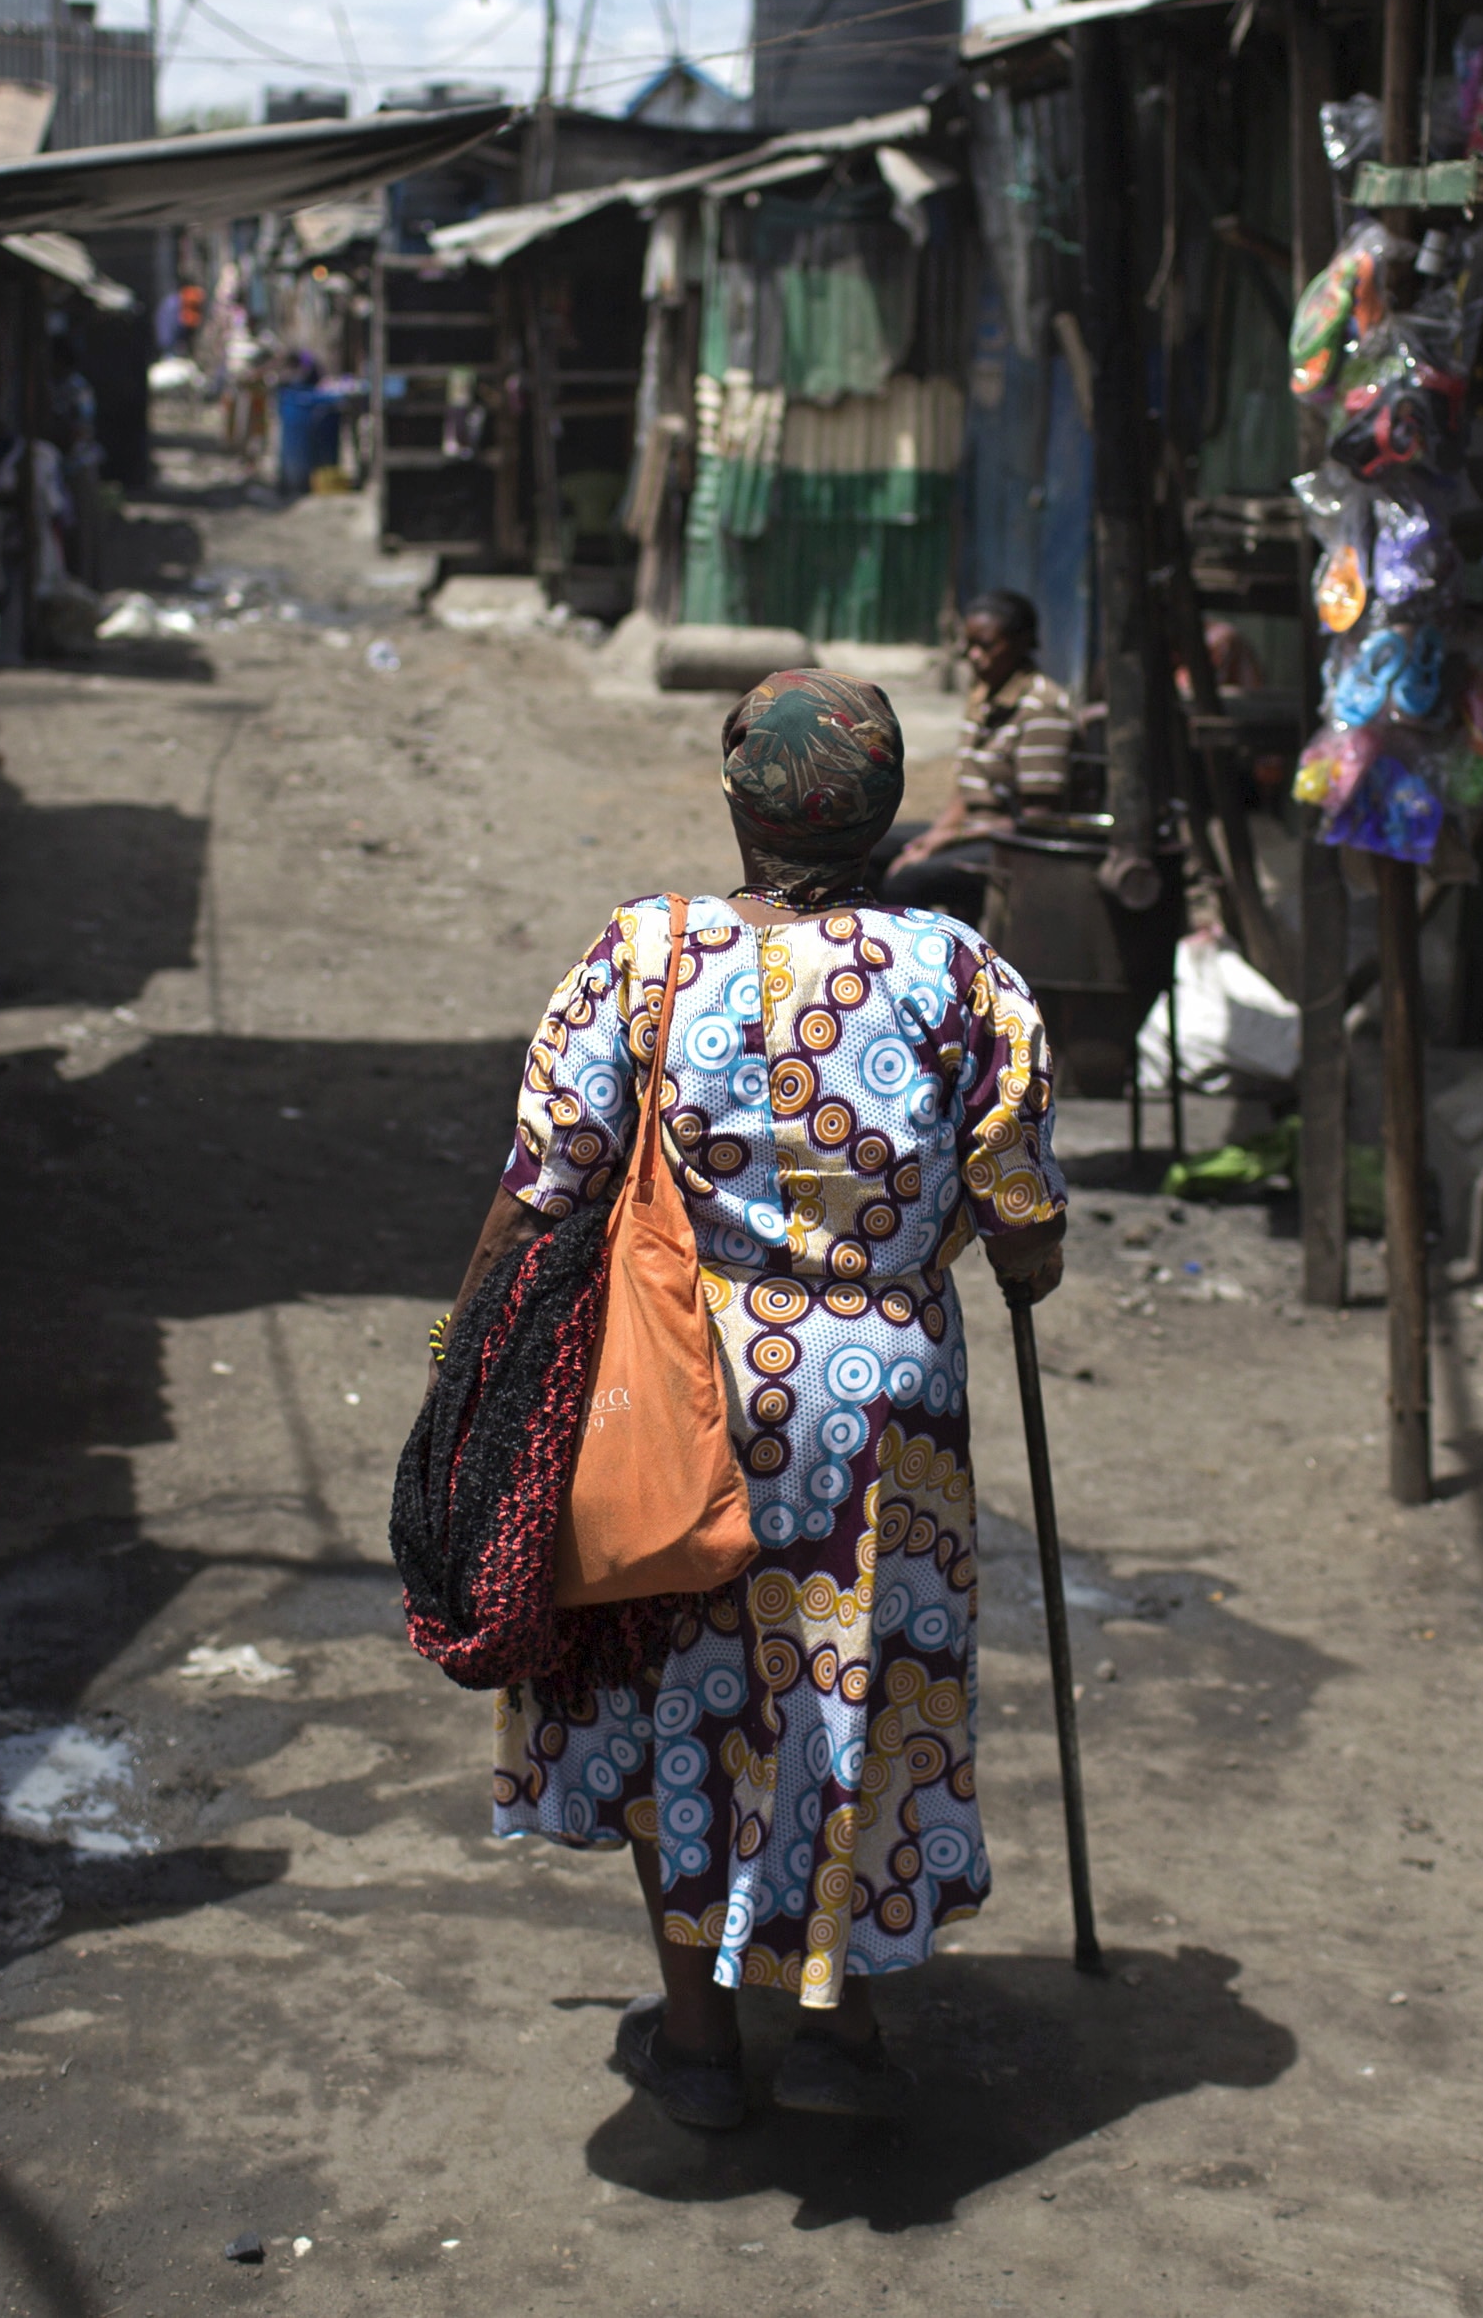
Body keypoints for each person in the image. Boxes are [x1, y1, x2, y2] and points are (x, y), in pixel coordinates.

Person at [448, 669, 1069, 2130]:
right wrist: (1020, 1262)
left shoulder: (644, 952)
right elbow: (1024, 1214)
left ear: (737, 799)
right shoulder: (963, 973)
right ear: (886, 811)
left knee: (686, 1693)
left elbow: (541, 1192)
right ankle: (840, 2020)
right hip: (884, 1403)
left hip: (681, 1378)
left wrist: (458, 1359)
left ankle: (697, 2047)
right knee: (851, 1693)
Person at [881, 590, 1074, 922]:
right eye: (968, 646)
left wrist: (947, 840)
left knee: (907, 881)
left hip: (1014, 844)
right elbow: (966, 788)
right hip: (973, 828)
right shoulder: (984, 695)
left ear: (1022, 643)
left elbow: (1038, 817)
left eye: (986, 646)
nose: (974, 656)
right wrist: (931, 839)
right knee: (871, 849)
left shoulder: (1042, 709)